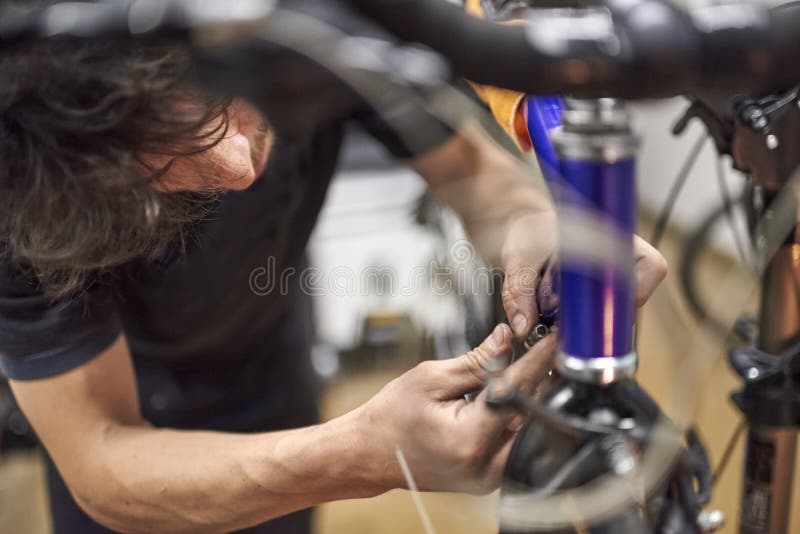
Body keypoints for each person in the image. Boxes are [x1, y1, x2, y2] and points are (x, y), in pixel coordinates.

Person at [0, 6, 667, 534]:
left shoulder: (312, 24)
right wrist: (361, 453)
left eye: (224, 97)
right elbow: (100, 455)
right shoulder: (24, 162)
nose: (240, 167)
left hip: (268, 361)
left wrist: (531, 226)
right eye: (165, 162)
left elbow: (468, 169)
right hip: (117, 401)